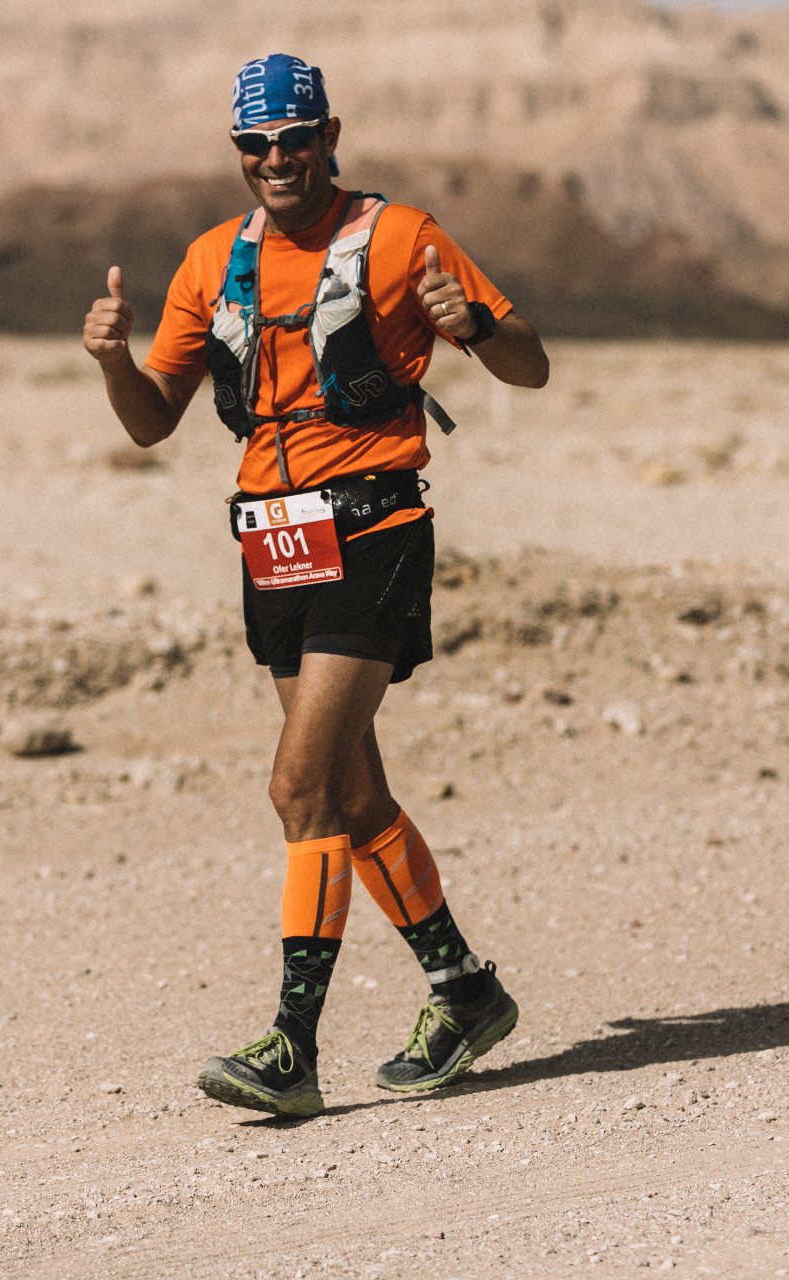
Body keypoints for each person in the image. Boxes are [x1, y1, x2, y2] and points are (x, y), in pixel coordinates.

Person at [82, 53, 549, 1118]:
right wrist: (112, 360)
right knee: (350, 792)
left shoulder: (403, 238)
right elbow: (154, 419)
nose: (277, 159)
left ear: (329, 133)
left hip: (374, 529)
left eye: (295, 138)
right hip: (273, 545)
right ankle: (464, 989)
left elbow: (531, 365)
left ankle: (292, 1045)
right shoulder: (212, 261)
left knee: (298, 787)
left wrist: (471, 326)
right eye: (256, 143)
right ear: (238, 151)